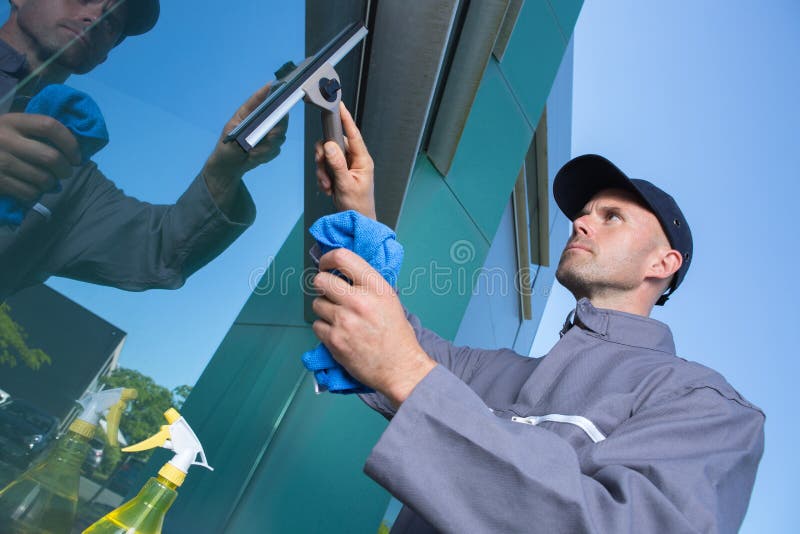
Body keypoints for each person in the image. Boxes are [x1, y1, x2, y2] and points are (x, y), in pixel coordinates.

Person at [310, 104, 765, 533]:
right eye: (583, 214)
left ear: (663, 263)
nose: (580, 223)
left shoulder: (705, 405)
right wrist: (359, 214)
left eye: (612, 217)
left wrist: (408, 375)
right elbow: (378, 339)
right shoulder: (489, 369)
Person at [0, 0, 287, 299]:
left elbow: (160, 252)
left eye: (112, 23)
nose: (95, 17)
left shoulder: (67, 176)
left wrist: (223, 172)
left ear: (104, 56)